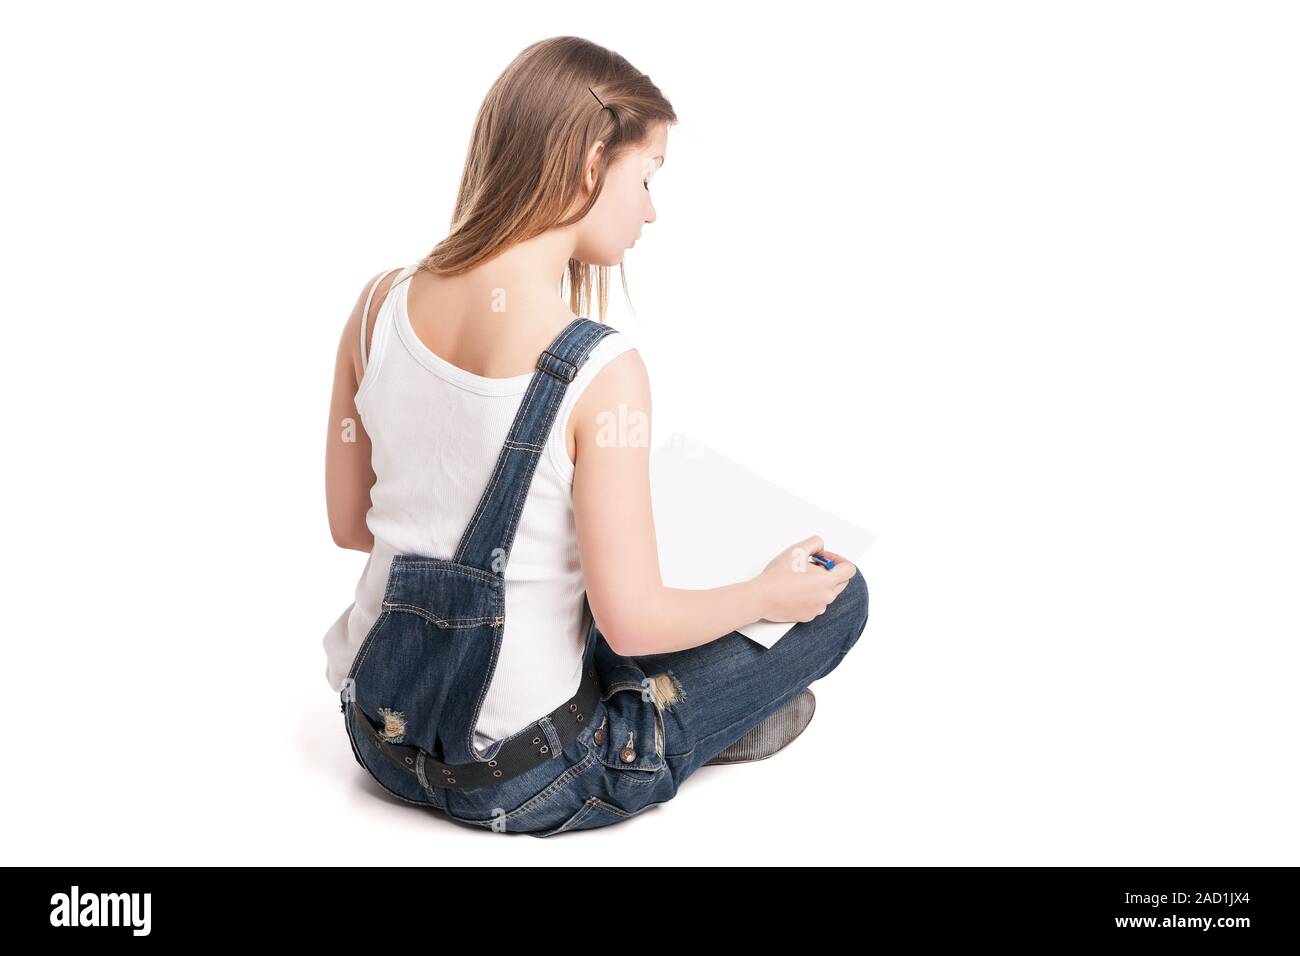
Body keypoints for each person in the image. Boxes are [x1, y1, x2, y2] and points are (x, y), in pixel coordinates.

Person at [323, 35, 869, 837]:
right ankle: (688, 727)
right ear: (589, 163)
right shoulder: (598, 366)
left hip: (379, 737)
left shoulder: (378, 305)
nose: (651, 208)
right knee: (841, 598)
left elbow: (348, 524)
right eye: (645, 177)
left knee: (601, 579)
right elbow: (632, 625)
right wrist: (765, 595)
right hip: (523, 778)